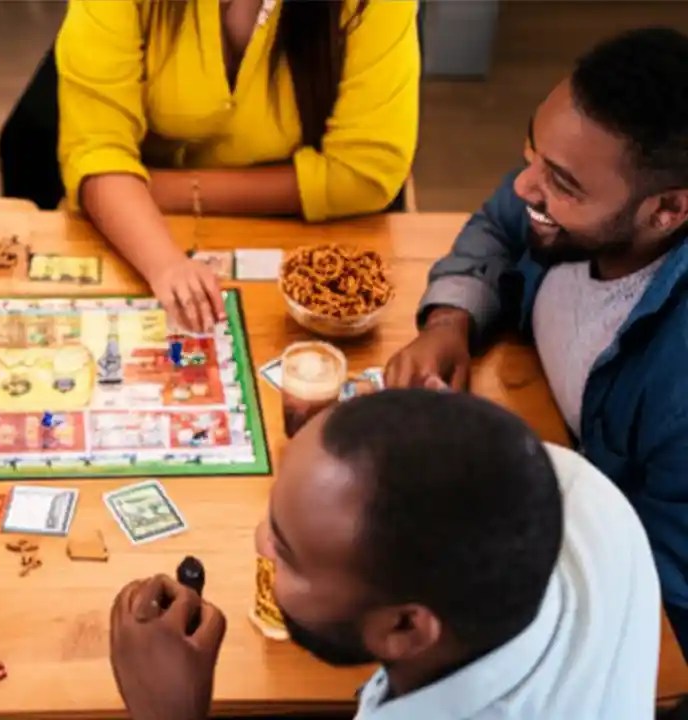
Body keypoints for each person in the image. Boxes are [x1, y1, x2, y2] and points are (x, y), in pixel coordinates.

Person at [382, 27, 688, 649]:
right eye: (532, 153)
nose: (525, 188)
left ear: (667, 211)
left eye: (562, 184)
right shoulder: (562, 207)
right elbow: (497, 223)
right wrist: (450, 320)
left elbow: (656, 590)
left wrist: (497, 512)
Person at [110, 390, 660, 719]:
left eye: (288, 552)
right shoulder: (581, 493)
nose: (260, 541)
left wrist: (166, 714)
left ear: (403, 628)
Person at [44, 0, 419, 332]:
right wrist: (166, 265)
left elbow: (365, 173)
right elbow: (96, 150)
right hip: (143, 234)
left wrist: (155, 189)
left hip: (305, 236)